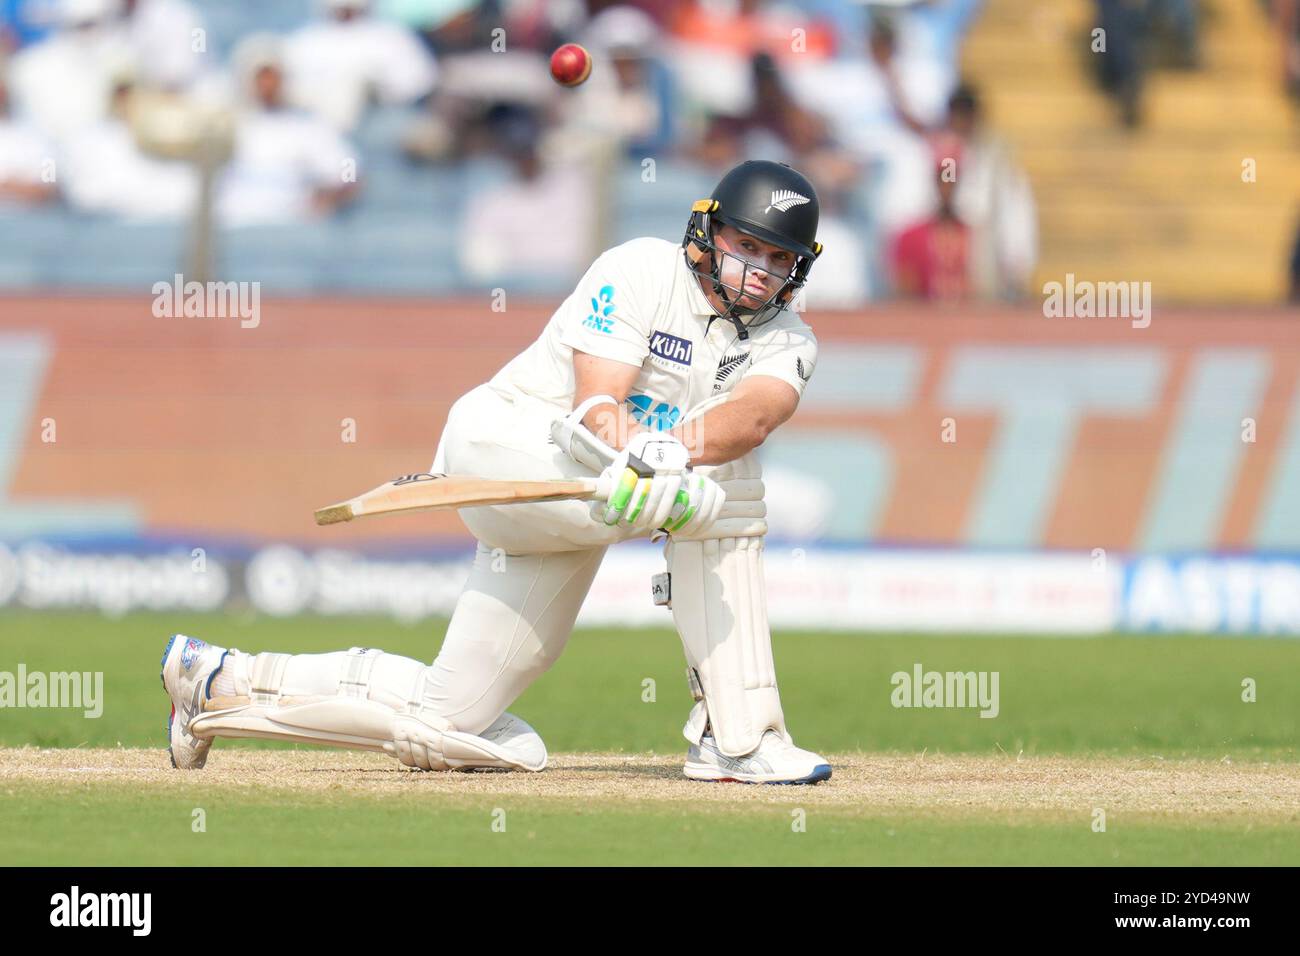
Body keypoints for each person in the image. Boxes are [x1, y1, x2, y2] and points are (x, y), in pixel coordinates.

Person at [161, 159, 834, 785]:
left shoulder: (788, 337)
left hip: (591, 503)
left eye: (778, 259)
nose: (759, 270)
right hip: (509, 445)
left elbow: (754, 416)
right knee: (721, 488)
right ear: (707, 232)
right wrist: (647, 454)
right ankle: (740, 737)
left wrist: (669, 452)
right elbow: (597, 404)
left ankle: (217, 682)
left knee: (453, 714)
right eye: (746, 245)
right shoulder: (640, 270)